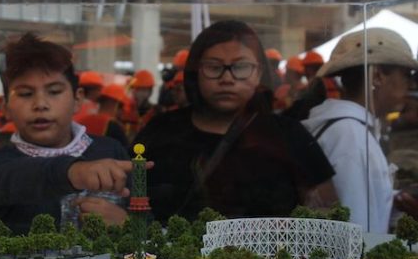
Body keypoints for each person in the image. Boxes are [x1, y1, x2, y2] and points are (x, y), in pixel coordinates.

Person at [135, 20, 336, 222]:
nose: (227, 78)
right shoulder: (160, 132)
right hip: (170, 253)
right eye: (213, 67)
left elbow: (328, 214)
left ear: (258, 74)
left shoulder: (290, 135)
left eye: (241, 67)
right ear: (196, 73)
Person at [0, 33, 142, 235]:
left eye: (54, 91)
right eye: (25, 94)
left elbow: (146, 221)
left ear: (77, 99)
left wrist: (128, 224)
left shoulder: (110, 151)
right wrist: (74, 172)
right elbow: (19, 179)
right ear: (5, 108)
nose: (40, 104)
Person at [303, 28, 418, 233]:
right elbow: (358, 231)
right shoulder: (350, 136)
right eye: (406, 75)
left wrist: (393, 200)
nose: (409, 84)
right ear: (378, 76)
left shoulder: (349, 129)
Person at [75, 83, 130, 149]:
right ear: (113, 103)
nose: (122, 111)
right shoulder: (113, 126)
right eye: (121, 106)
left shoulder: (82, 121)